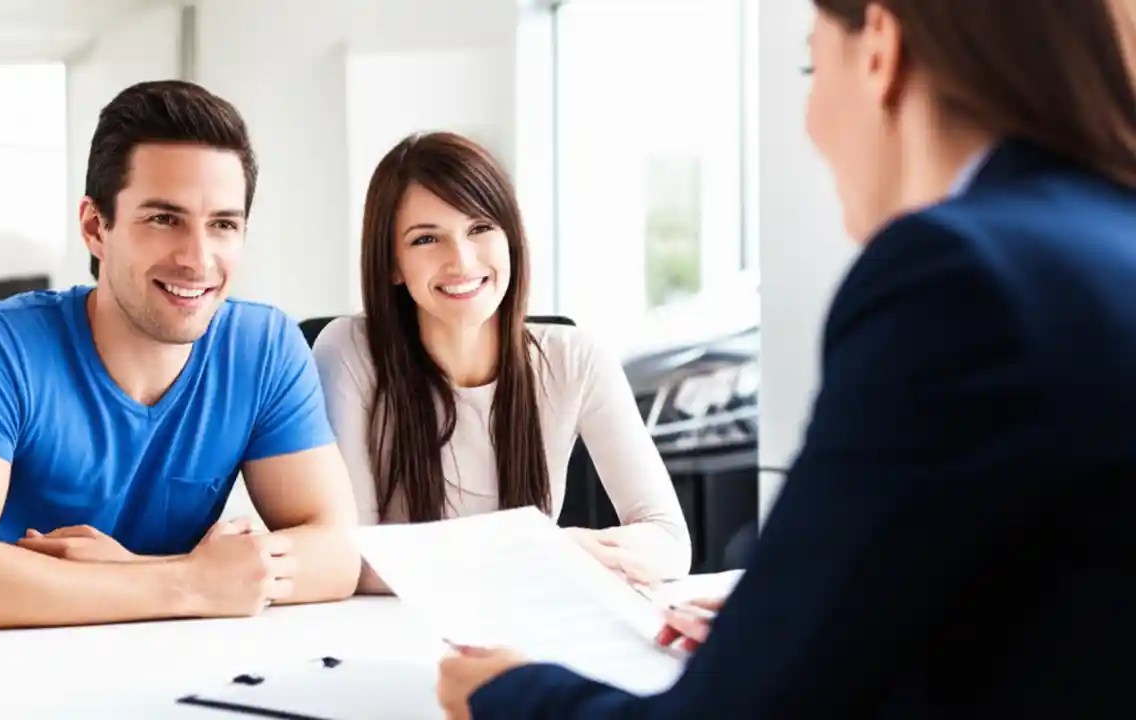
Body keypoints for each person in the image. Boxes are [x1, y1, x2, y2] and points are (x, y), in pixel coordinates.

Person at [437, 0, 1136, 717]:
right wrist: (787, 636)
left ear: (879, 50)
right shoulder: (1105, 242)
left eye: (811, 63)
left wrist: (511, 696)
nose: (807, 120)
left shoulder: (961, 276)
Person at [0, 81, 362, 720]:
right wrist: (191, 582)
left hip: (149, 682)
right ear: (96, 227)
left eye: (223, 225)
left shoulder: (262, 347)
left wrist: (166, 578)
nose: (198, 257)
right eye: (164, 219)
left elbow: (336, 554)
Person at [312, 132, 690, 591]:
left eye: (480, 228)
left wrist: (570, 553)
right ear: (392, 264)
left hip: (531, 629)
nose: (461, 261)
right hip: (397, 631)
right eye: (427, 239)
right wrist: (534, 557)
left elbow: (669, 541)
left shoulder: (575, 359)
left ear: (510, 237)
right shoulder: (349, 351)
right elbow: (355, 560)